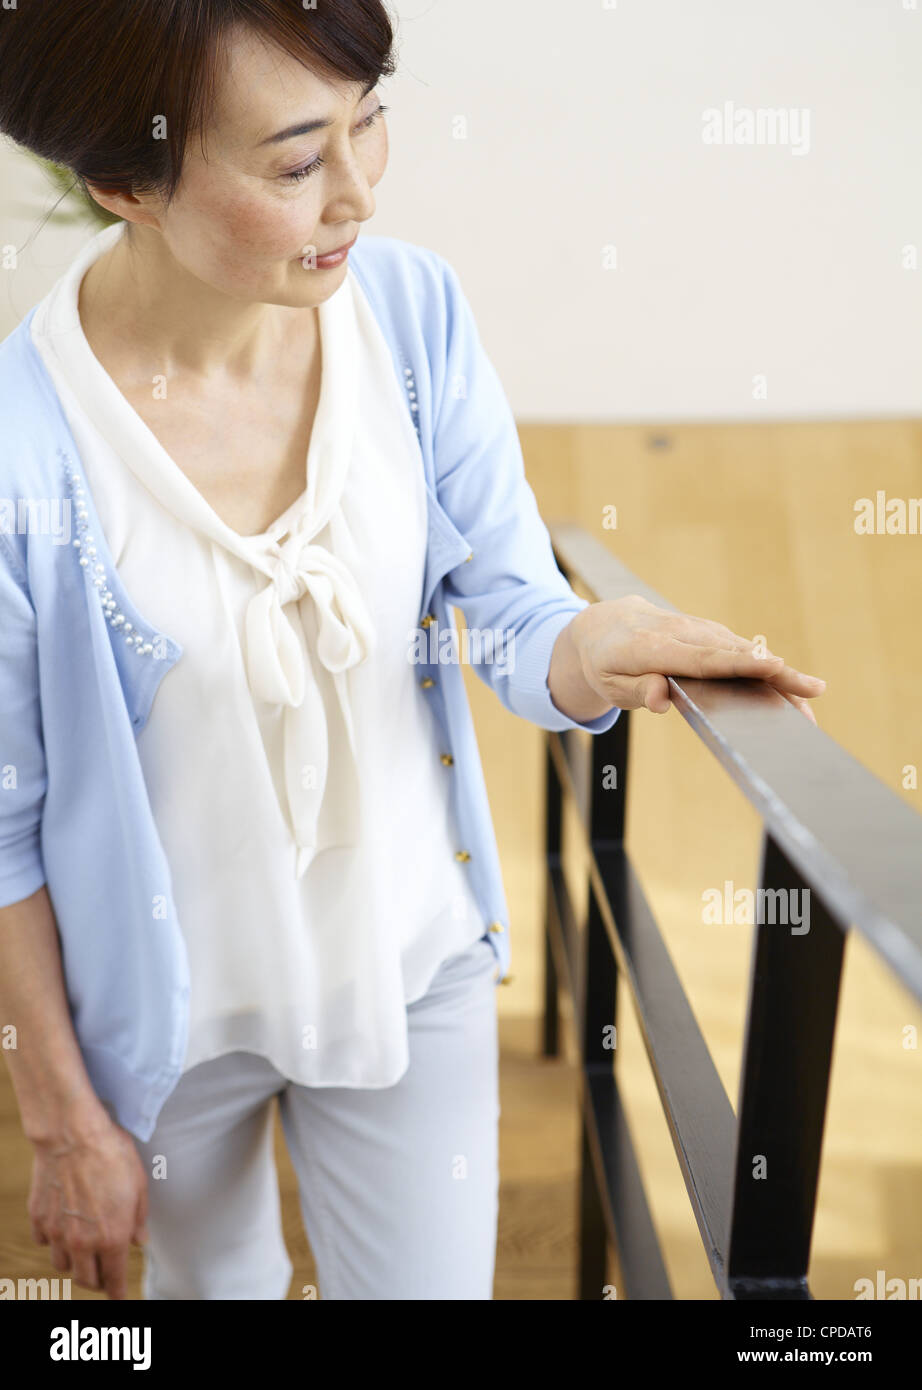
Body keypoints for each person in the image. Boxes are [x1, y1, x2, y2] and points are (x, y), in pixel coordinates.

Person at [0, 0, 825, 1302]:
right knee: (208, 1290)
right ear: (123, 182)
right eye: (292, 161)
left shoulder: (412, 317)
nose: (357, 193)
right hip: (164, 1034)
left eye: (367, 120)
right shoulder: (23, 454)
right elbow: (6, 831)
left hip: (411, 970)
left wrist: (588, 640)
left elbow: (504, 607)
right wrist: (60, 1118)